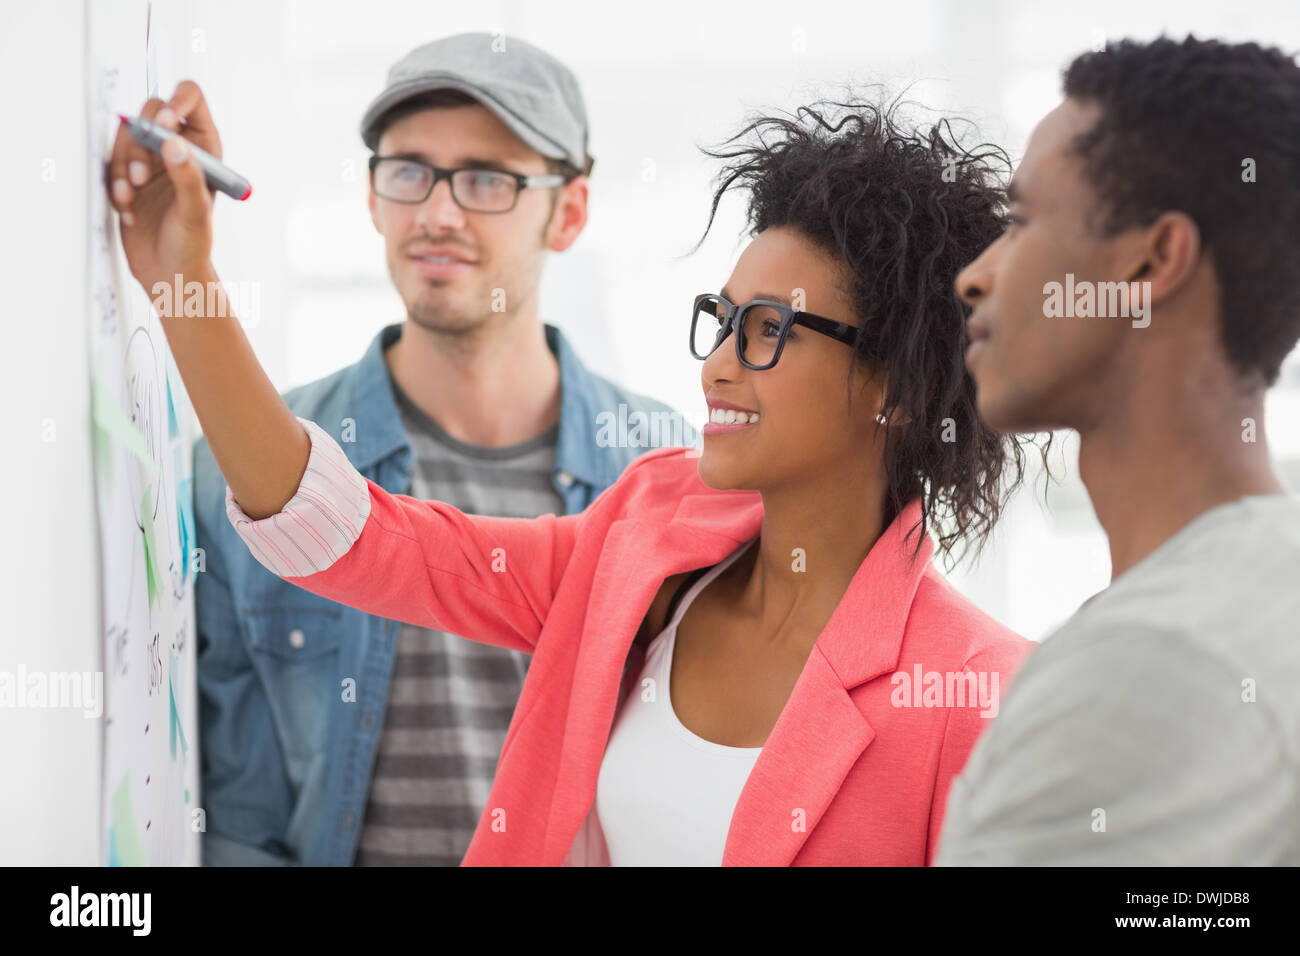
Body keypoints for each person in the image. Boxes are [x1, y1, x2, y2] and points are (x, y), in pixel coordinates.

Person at [108, 80, 1033, 864]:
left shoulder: (977, 693)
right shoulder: (641, 537)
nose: (717, 364)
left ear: (901, 387)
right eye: (722, 318)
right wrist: (184, 280)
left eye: (769, 331)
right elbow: (350, 537)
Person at [183, 34, 689, 865]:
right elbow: (242, 820)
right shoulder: (242, 472)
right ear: (374, 197)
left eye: (487, 179)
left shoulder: (664, 478)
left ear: (568, 213)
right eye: (409, 170)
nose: (438, 213)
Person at [938, 35, 1300, 865]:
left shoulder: (1153, 661)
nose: (975, 276)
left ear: (1152, 260)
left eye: (1021, 222)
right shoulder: (1255, 593)